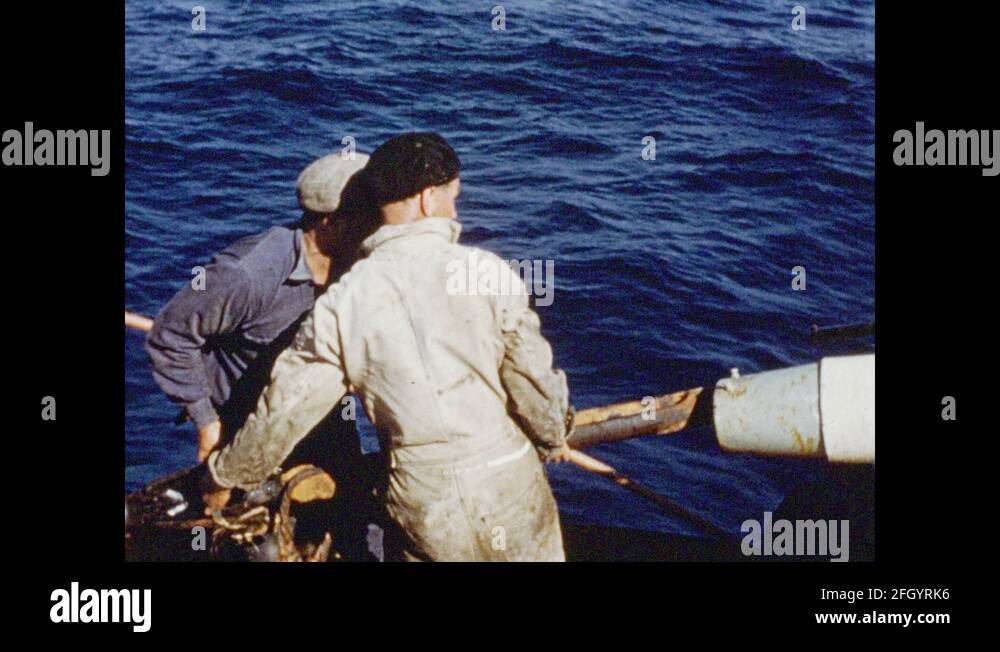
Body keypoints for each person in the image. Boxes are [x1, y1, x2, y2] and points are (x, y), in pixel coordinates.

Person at [205, 132, 574, 561]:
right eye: (453, 197)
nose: (455, 210)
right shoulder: (486, 270)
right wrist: (552, 437)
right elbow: (533, 379)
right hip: (508, 479)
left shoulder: (344, 301)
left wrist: (225, 474)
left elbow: (285, 412)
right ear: (426, 198)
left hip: (424, 499)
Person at [145, 152, 379, 560]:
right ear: (329, 222)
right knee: (261, 545)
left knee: (349, 527)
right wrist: (206, 422)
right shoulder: (248, 275)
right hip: (247, 429)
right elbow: (171, 335)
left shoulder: (359, 269)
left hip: (322, 416)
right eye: (368, 216)